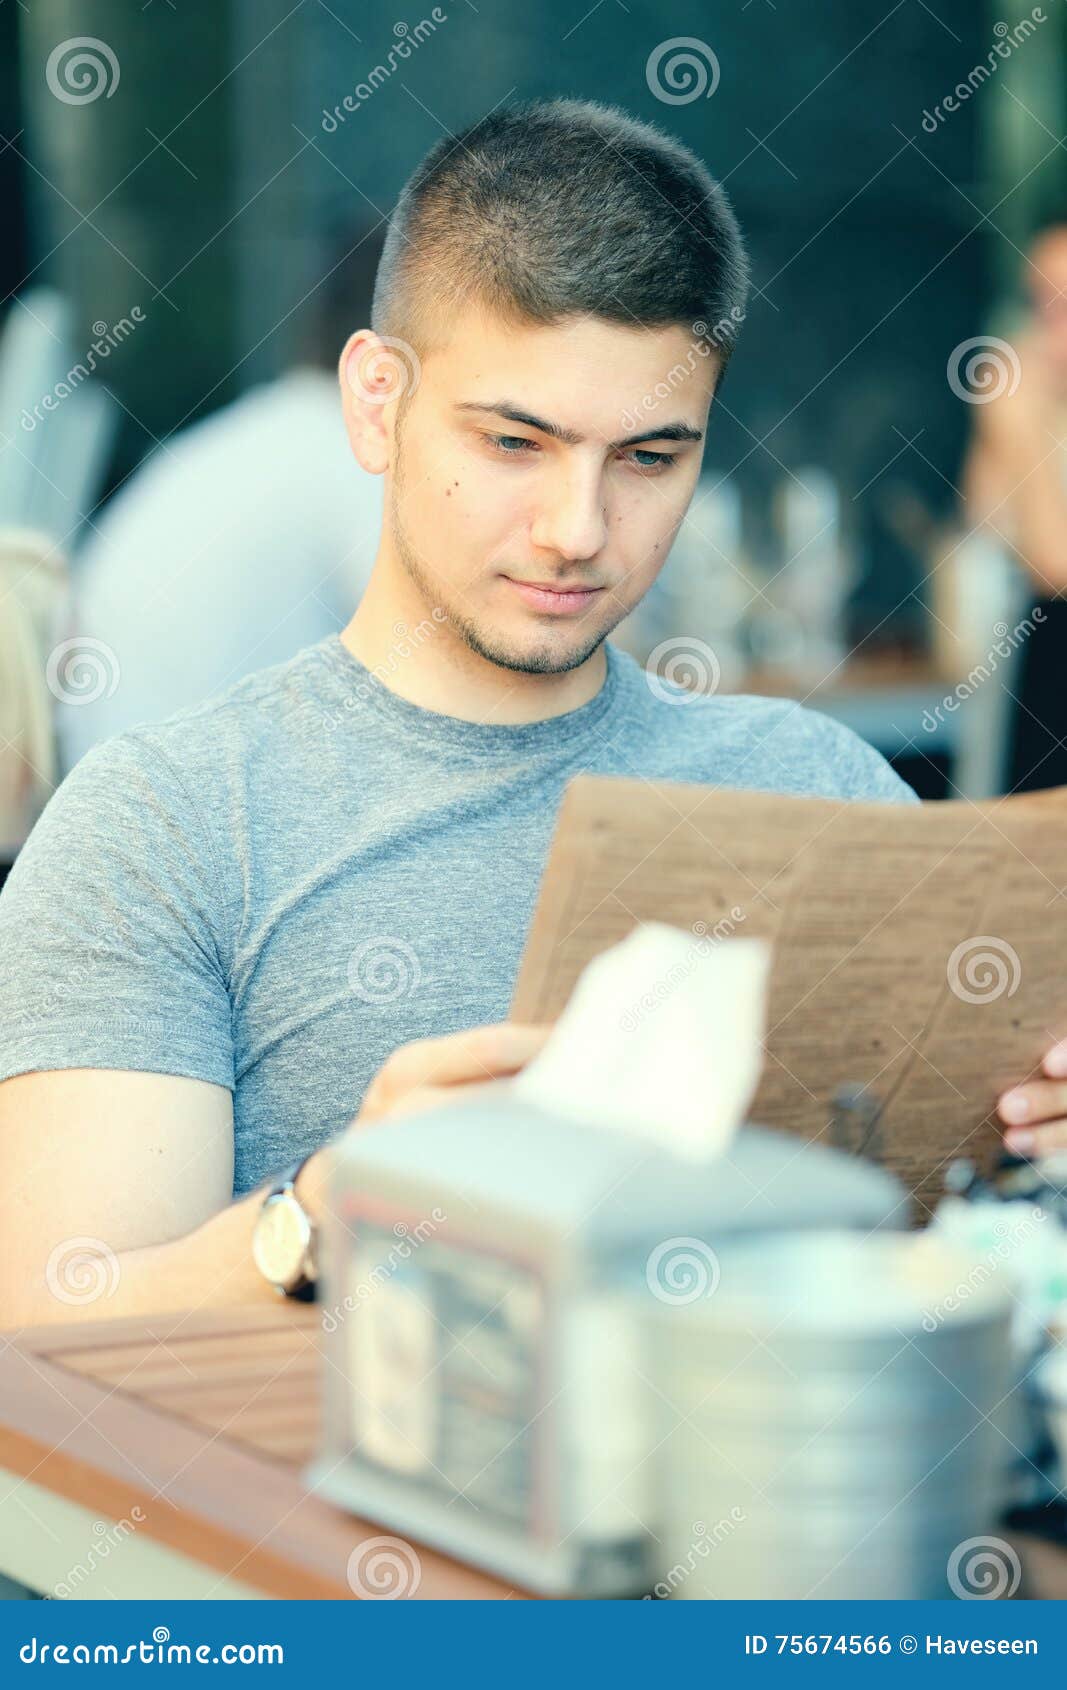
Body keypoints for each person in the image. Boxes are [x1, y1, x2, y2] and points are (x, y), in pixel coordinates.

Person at [0, 99, 1061, 1330]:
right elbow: (46, 1326)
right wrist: (328, 1209)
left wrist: (1030, 1164)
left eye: (649, 459)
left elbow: (951, 1285)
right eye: (516, 442)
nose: (578, 529)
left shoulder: (815, 787)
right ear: (374, 402)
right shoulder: (166, 822)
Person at [55, 226, 386, 771]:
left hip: (117, 785)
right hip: (194, 814)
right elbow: (443, 657)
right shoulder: (348, 453)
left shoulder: (247, 437)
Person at [963, 210, 1067, 791]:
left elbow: (1055, 567)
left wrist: (1016, 422)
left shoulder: (1025, 411)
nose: (1052, 331)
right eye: (1042, 305)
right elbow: (981, 526)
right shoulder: (1038, 401)